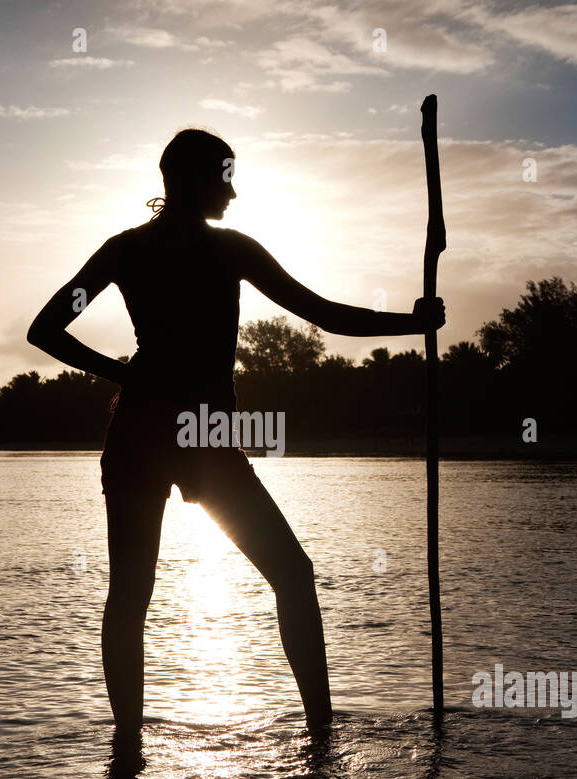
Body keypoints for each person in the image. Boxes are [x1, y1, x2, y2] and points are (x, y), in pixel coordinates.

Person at [27, 128, 444, 736]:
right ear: (195, 180)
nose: (234, 190)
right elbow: (325, 316)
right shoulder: (225, 250)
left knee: (131, 597)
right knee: (285, 576)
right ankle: (319, 734)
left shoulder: (127, 251)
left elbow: (46, 330)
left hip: (149, 430)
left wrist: (125, 374)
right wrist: (414, 322)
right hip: (194, 433)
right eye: (225, 177)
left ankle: (129, 752)